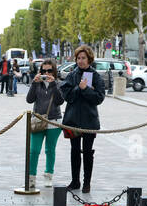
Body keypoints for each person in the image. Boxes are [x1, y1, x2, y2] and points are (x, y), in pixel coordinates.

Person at [60, 44, 105, 193]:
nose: (80, 61)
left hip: (89, 120)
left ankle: (87, 182)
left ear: (89, 59)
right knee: (74, 151)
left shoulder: (96, 76)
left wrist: (86, 91)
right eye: (78, 58)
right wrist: (79, 88)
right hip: (73, 120)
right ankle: (75, 181)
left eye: (83, 58)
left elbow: (99, 98)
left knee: (87, 152)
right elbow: (66, 95)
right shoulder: (72, 75)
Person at [26, 57, 64, 187]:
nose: (46, 74)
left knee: (50, 150)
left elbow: (60, 101)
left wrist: (53, 84)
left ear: (54, 71)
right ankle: (31, 177)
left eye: (49, 71)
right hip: (38, 120)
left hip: (54, 120)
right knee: (34, 150)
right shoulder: (38, 83)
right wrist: (34, 83)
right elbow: (29, 100)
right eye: (44, 70)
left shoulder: (58, 84)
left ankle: (48, 175)